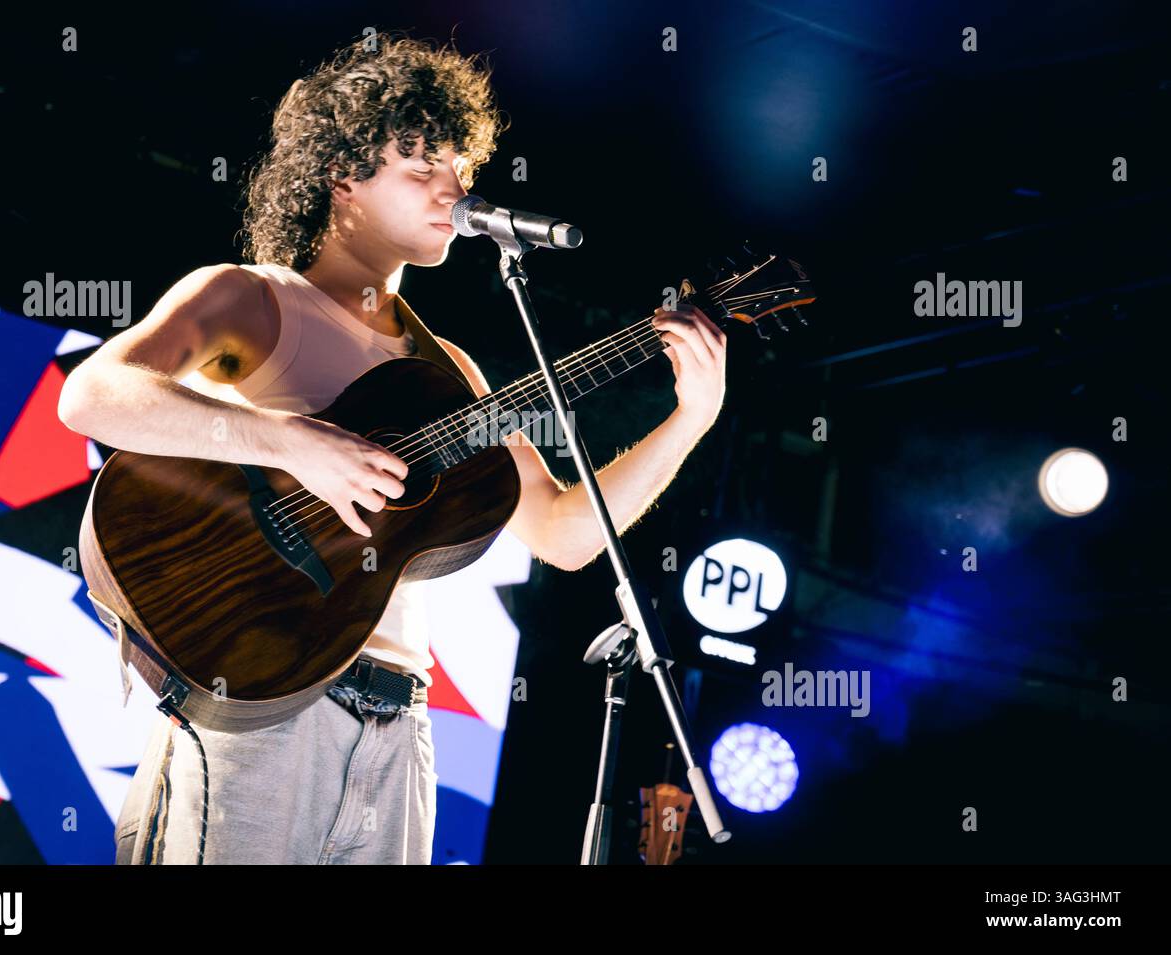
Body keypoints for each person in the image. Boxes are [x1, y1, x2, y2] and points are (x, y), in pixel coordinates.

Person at [57, 31, 728, 865]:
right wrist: (292, 442)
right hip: (262, 710)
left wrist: (689, 418)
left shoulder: (452, 371)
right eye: (423, 172)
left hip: (400, 731)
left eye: (462, 173)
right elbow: (91, 395)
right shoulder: (254, 299)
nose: (455, 193)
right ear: (344, 179)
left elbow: (562, 530)